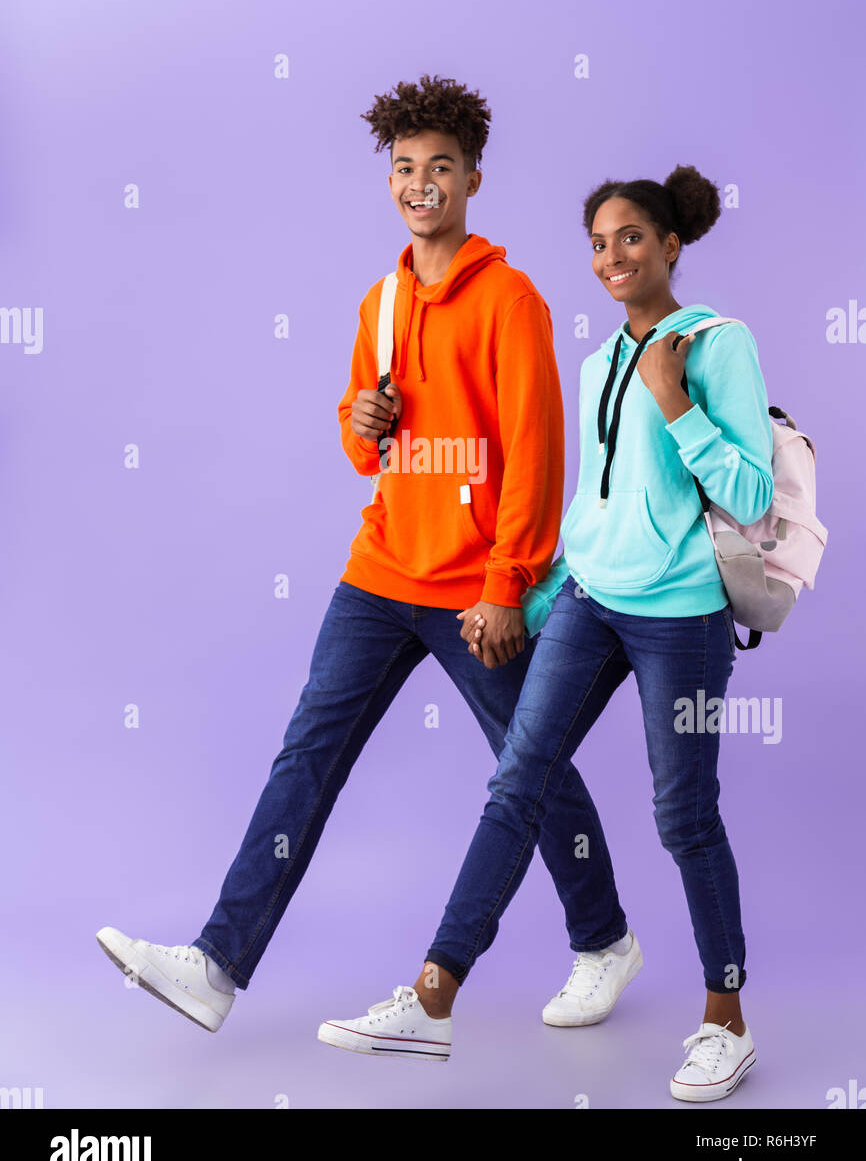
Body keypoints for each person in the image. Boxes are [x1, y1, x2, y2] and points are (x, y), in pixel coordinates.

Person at [94, 73, 615, 1036]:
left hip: (476, 592)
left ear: (474, 179)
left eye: (441, 169)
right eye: (406, 169)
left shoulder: (512, 301)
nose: (422, 185)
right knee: (308, 755)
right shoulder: (380, 301)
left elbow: (540, 460)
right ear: (391, 181)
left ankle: (602, 941)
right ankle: (217, 965)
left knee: (529, 765)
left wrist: (508, 586)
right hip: (379, 573)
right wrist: (362, 422)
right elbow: (360, 442)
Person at [318, 165, 773, 1103]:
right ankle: (433, 999)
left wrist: (678, 402)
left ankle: (725, 1019)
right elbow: (596, 508)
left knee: (683, 817)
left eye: (632, 238)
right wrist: (527, 596)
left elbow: (753, 495)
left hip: (682, 622)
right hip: (589, 604)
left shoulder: (717, 345)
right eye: (600, 243)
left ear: (671, 245)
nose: (613, 257)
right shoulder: (601, 360)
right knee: (516, 780)